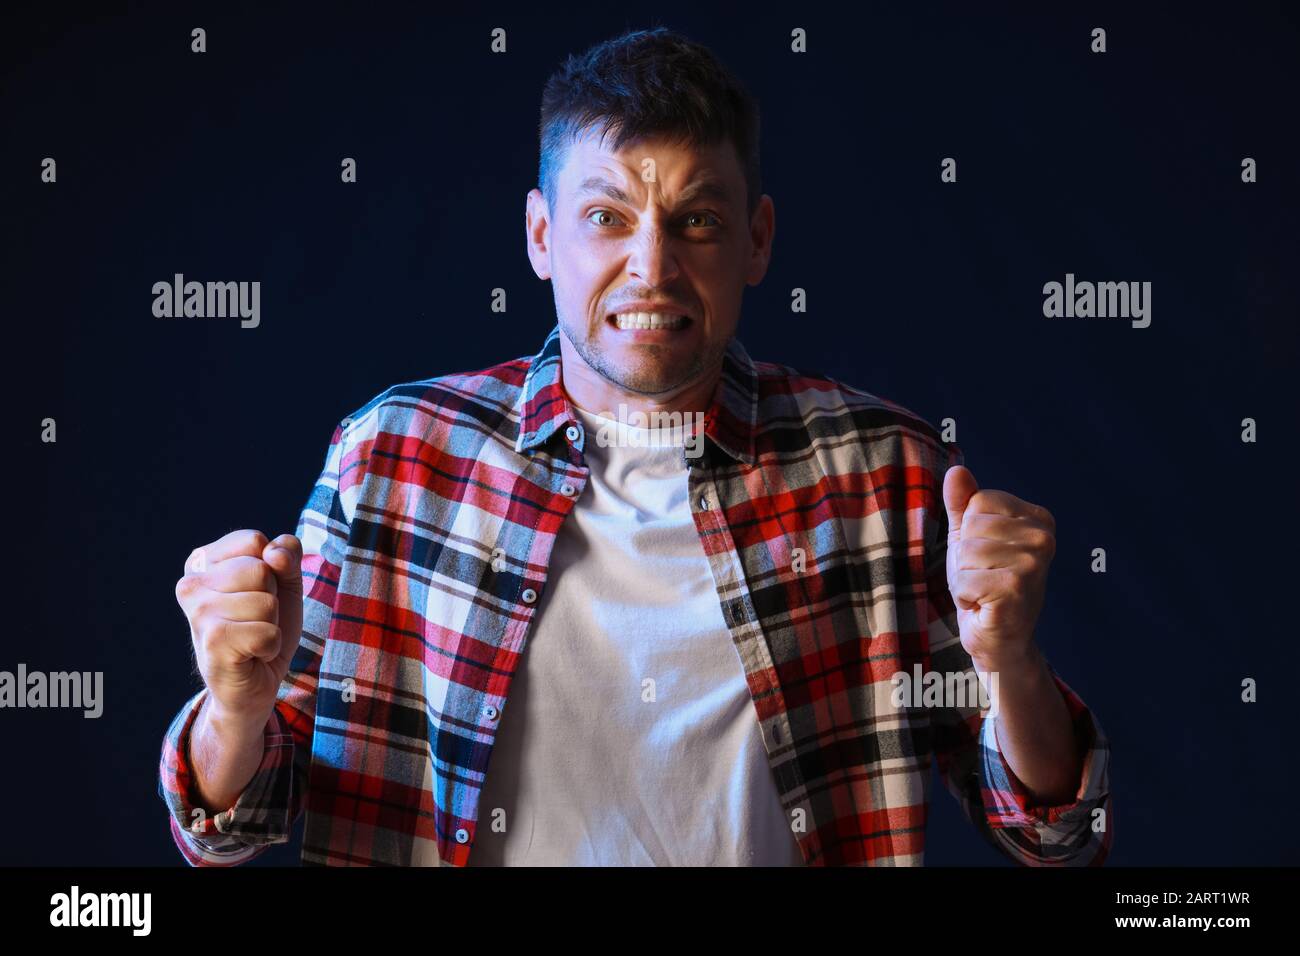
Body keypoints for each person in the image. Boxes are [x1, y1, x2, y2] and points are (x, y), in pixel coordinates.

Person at [159, 26, 1111, 867]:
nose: (651, 267)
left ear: (757, 241)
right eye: (606, 217)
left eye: (696, 220)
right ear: (541, 236)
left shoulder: (884, 473)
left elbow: (1050, 832)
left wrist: (1011, 661)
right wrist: (238, 706)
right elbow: (230, 823)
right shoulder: (395, 457)